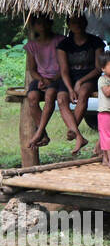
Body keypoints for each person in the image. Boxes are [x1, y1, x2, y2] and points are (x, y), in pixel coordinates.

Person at [23, 15, 78, 153]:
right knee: (32, 98)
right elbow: (32, 69)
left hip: (60, 77)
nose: (42, 26)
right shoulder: (32, 45)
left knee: (50, 94)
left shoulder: (60, 41)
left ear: (50, 24)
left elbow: (67, 65)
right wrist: (41, 80)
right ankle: (43, 135)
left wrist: (53, 79)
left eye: (45, 23)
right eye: (39, 23)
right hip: (42, 78)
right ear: (34, 26)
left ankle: (40, 132)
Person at [57, 14, 105, 135]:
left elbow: (99, 68)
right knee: (61, 99)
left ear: (85, 23)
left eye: (79, 21)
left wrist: (80, 81)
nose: (77, 25)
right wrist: (70, 89)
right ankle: (75, 132)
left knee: (83, 93)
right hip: (70, 77)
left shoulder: (95, 41)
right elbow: (64, 70)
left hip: (90, 76)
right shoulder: (64, 44)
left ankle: (72, 131)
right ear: (69, 25)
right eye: (73, 22)